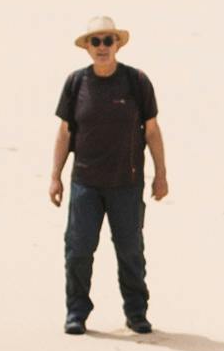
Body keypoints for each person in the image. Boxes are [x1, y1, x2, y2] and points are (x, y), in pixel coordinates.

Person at [46, 19, 166, 333]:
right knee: (78, 250)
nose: (102, 47)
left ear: (117, 44)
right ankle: (76, 313)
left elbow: (152, 131)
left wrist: (161, 174)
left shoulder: (136, 82)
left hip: (126, 184)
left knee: (130, 251)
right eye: (95, 42)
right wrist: (55, 176)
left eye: (107, 41)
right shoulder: (76, 83)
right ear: (87, 46)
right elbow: (64, 132)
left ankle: (137, 313)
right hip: (85, 183)